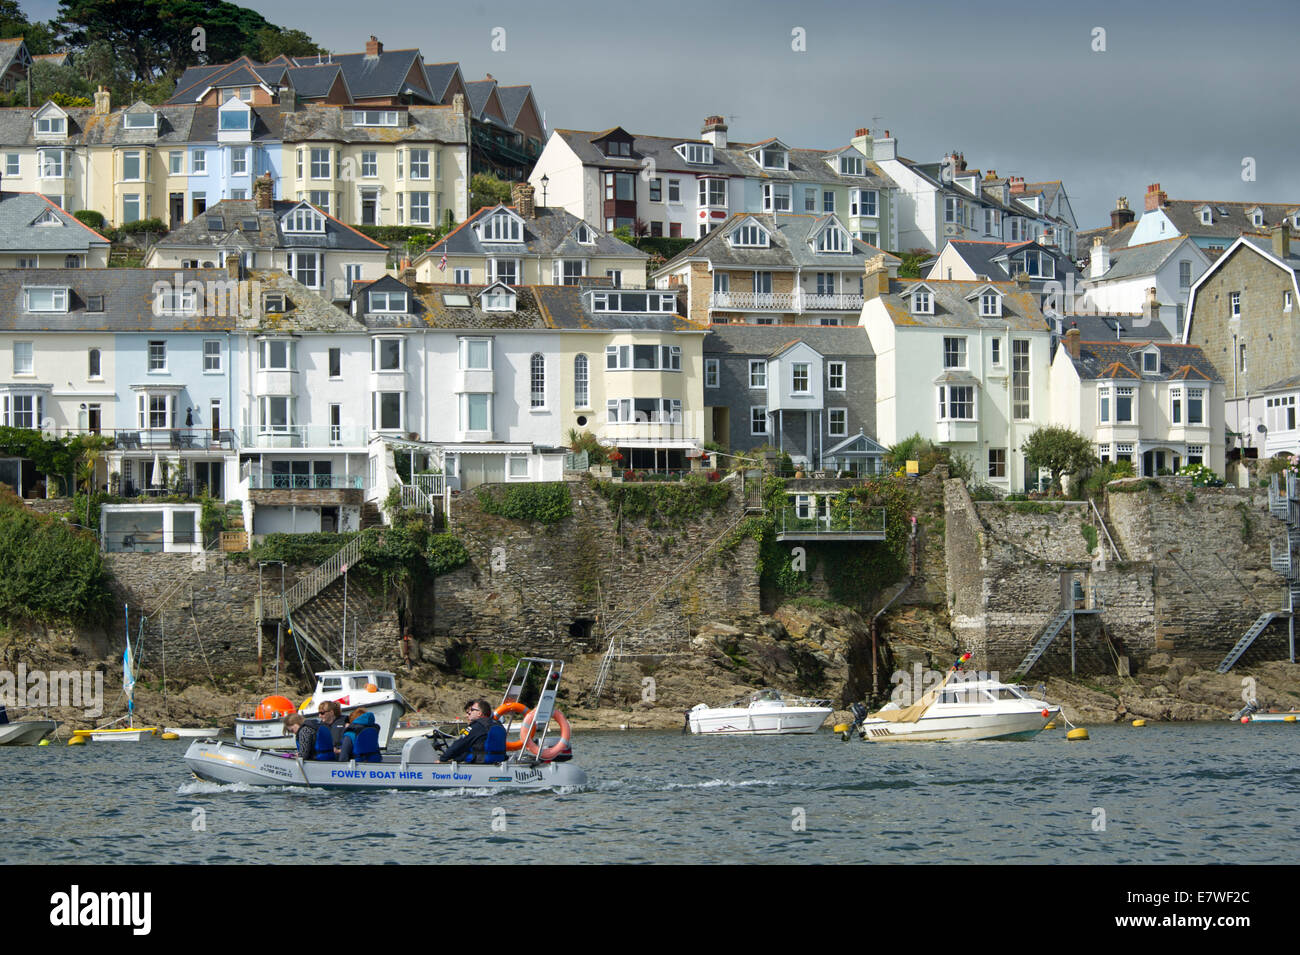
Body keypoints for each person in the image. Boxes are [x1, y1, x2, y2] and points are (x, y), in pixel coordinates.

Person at [439, 699, 506, 764]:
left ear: (479, 713)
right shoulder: (499, 725)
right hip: (499, 760)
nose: (470, 712)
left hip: (481, 762)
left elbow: (459, 744)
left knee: (460, 755)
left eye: (472, 710)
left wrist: (442, 759)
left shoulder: (476, 726)